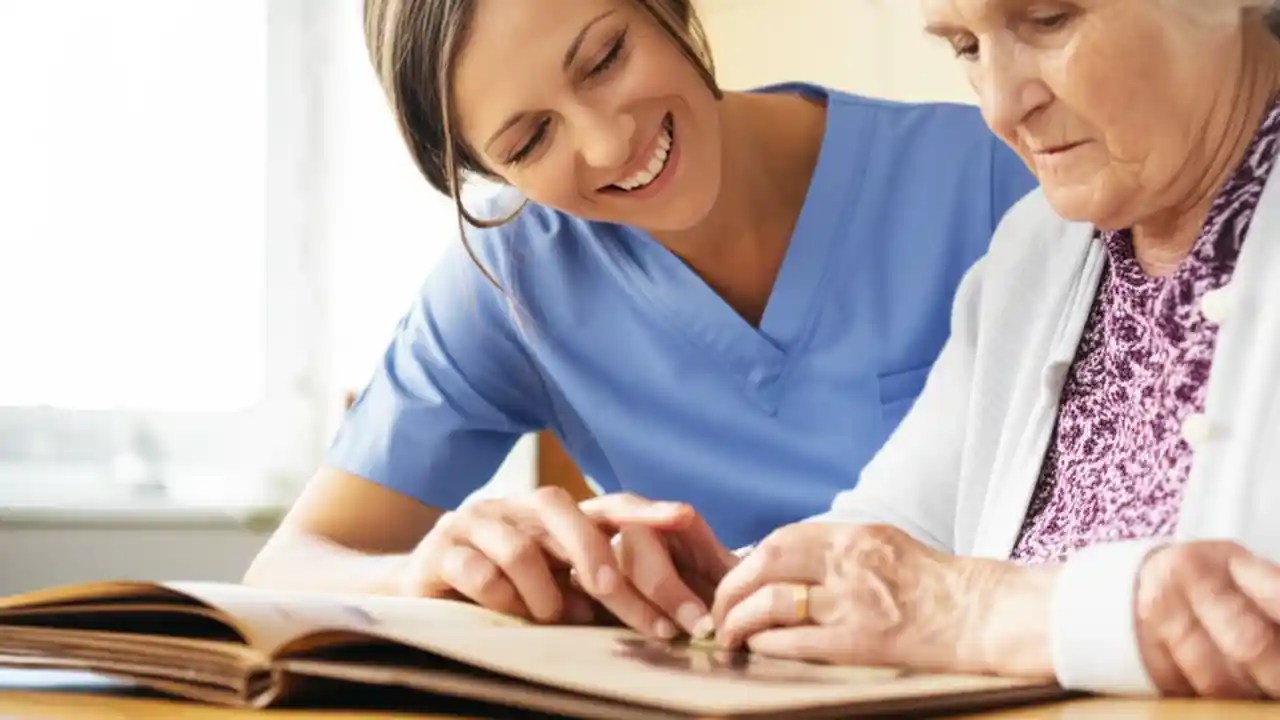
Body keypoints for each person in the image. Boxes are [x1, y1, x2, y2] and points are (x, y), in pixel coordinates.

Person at [243, 0, 1035, 641]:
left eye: (605, 58)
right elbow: (288, 570)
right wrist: (418, 573)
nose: (609, 141)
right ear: (494, 170)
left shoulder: (1004, 173)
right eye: (530, 140)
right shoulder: (514, 276)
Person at [708, 0, 1280, 700]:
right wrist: (682, 587)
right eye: (965, 46)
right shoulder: (1034, 248)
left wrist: (988, 613)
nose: (1003, 108)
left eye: (1048, 20)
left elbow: (946, 600)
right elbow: (884, 549)